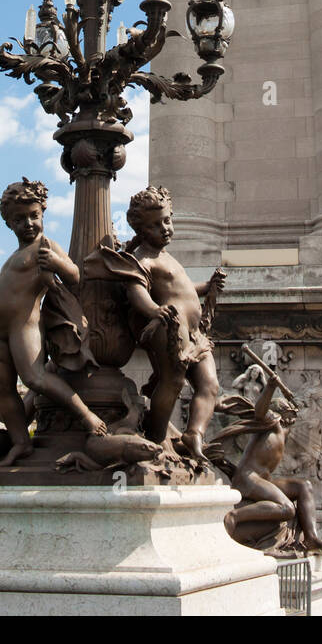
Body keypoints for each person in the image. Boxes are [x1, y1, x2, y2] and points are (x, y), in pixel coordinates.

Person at [0, 178, 106, 466]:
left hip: (24, 325)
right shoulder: (15, 256)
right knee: (2, 388)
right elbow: (5, 293)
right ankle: (21, 442)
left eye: (34, 216)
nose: (28, 223)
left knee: (34, 378)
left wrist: (56, 264)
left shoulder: (45, 245)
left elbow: (74, 275)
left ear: (43, 213)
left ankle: (86, 415)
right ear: (9, 223)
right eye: (19, 219)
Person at [85, 184, 225, 458]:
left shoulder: (168, 257)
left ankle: (194, 434)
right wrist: (152, 310)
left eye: (167, 220)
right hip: (172, 328)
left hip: (196, 334)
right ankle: (156, 437)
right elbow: (136, 292)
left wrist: (207, 286)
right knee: (172, 381)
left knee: (210, 385)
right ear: (140, 231)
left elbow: (183, 289)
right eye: (155, 226)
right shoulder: (142, 260)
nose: (165, 228)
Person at [214, 348, 322, 554]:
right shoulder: (272, 423)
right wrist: (269, 387)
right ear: (280, 411)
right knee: (287, 509)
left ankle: (312, 538)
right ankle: (234, 517)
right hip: (248, 479)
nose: (294, 413)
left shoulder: (283, 431)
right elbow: (260, 411)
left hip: (261, 480)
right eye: (289, 409)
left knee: (304, 486)